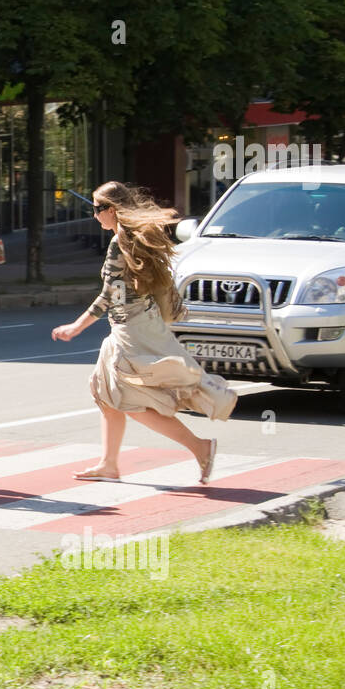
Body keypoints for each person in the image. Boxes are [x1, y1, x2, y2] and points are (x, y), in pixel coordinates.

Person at [51, 181, 237, 485]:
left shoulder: (119, 243)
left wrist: (77, 325)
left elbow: (110, 295)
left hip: (130, 330)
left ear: (111, 210)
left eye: (97, 209)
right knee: (104, 394)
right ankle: (109, 464)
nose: (95, 215)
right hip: (138, 324)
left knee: (128, 401)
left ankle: (200, 447)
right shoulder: (131, 239)